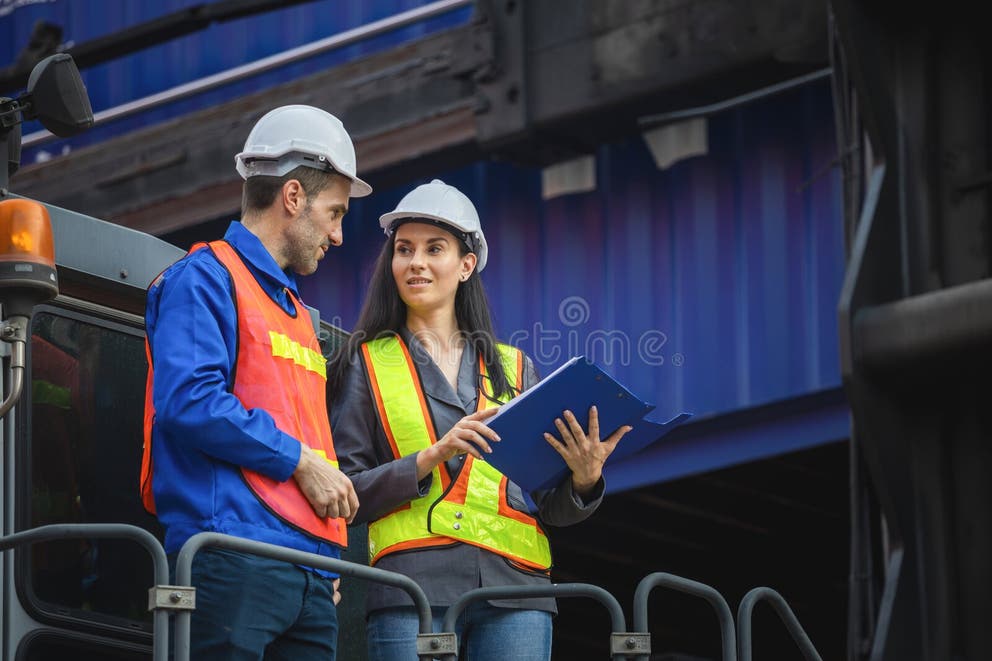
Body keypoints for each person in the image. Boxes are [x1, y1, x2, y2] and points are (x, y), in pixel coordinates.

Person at [327, 179, 631, 660]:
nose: (415, 262)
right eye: (403, 249)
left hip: (518, 590)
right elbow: (345, 495)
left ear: (466, 264)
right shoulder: (363, 364)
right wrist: (430, 457)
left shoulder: (515, 369)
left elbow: (551, 505)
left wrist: (585, 479)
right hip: (413, 589)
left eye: (434, 249)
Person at [141, 105, 370, 659]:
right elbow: (190, 401)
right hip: (231, 555)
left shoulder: (295, 312)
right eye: (335, 213)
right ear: (292, 197)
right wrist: (298, 461)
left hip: (310, 572)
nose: (339, 235)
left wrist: (322, 552)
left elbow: (311, 440)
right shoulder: (204, 278)